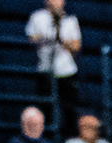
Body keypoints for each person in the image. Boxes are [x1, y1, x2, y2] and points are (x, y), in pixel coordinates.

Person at [27, 0, 81, 134]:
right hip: (45, 69)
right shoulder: (37, 17)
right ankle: (47, 140)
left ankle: (69, 140)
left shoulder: (70, 20)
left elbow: (76, 45)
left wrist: (61, 39)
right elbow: (31, 38)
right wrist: (48, 37)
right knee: (46, 108)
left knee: (69, 110)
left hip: (66, 70)